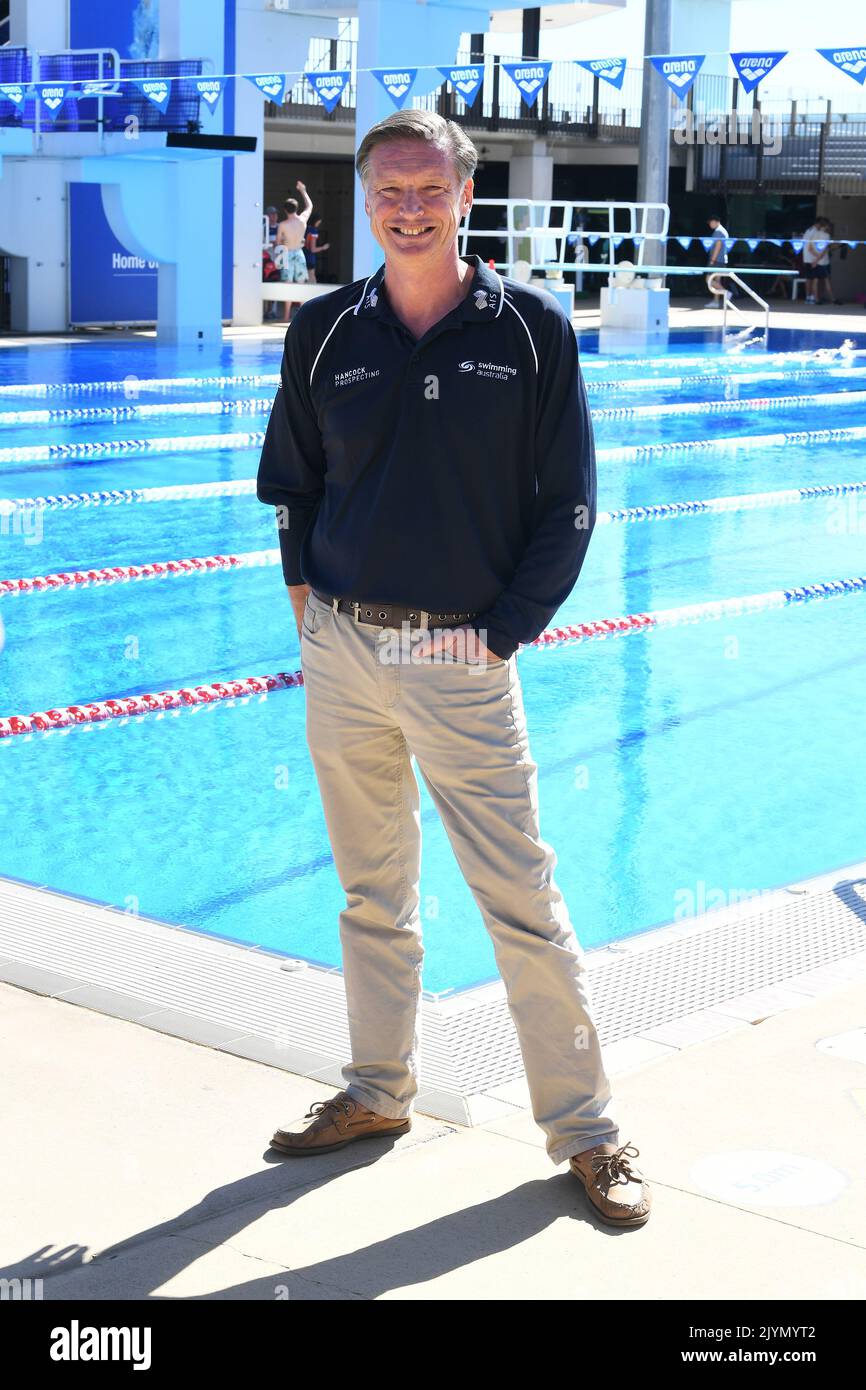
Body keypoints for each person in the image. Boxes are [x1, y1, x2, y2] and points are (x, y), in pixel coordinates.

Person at [256, 108, 652, 1229]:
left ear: (465, 197)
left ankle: (585, 1129)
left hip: (458, 654)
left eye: (430, 189)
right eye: (389, 188)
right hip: (341, 645)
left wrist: (496, 633)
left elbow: (568, 503)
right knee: (369, 893)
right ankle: (375, 1093)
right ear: (365, 198)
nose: (408, 207)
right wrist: (309, 613)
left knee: (518, 899)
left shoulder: (529, 330)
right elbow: (291, 479)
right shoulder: (325, 328)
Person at [274, 180, 313, 322]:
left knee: (288, 285)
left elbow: (278, 243)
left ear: (285, 210)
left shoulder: (283, 225)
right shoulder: (303, 220)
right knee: (301, 284)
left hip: (287, 254)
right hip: (299, 253)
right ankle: (303, 317)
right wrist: (303, 190)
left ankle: (286, 317)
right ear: (296, 209)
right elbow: (310, 206)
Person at [803, 218, 836, 305]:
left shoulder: (810, 231)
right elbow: (824, 249)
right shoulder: (822, 234)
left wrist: (815, 258)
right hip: (817, 260)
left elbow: (809, 247)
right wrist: (817, 258)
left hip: (810, 258)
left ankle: (810, 297)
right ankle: (818, 298)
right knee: (822, 279)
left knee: (812, 279)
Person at [704, 214, 733, 308]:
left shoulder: (718, 231)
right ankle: (716, 302)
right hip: (722, 260)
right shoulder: (722, 231)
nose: (709, 225)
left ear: (716, 221)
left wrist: (713, 259)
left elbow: (718, 245)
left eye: (710, 223)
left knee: (709, 279)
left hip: (716, 260)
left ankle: (726, 292)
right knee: (717, 281)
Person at [303, 214, 331, 284]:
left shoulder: (305, 229)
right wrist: (323, 247)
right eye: (318, 222)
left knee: (305, 278)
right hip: (310, 257)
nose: (318, 224)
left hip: (303, 256)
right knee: (312, 278)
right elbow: (313, 249)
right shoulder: (313, 231)